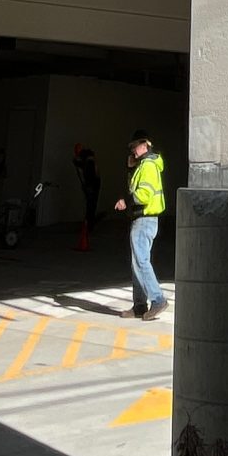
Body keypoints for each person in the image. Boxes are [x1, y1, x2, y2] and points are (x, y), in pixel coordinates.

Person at [114, 131, 167, 319]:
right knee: (137, 262)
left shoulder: (148, 166)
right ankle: (139, 305)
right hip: (144, 220)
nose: (132, 151)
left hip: (144, 219)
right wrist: (130, 169)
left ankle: (158, 299)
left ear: (144, 145)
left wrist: (126, 202)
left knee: (141, 262)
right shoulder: (144, 165)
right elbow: (134, 188)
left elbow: (143, 194)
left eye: (134, 146)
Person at [72, 143, 101, 252]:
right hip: (94, 184)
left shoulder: (88, 161)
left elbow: (88, 173)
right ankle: (89, 224)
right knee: (91, 204)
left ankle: (88, 225)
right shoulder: (89, 159)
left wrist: (88, 186)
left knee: (91, 204)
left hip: (92, 185)